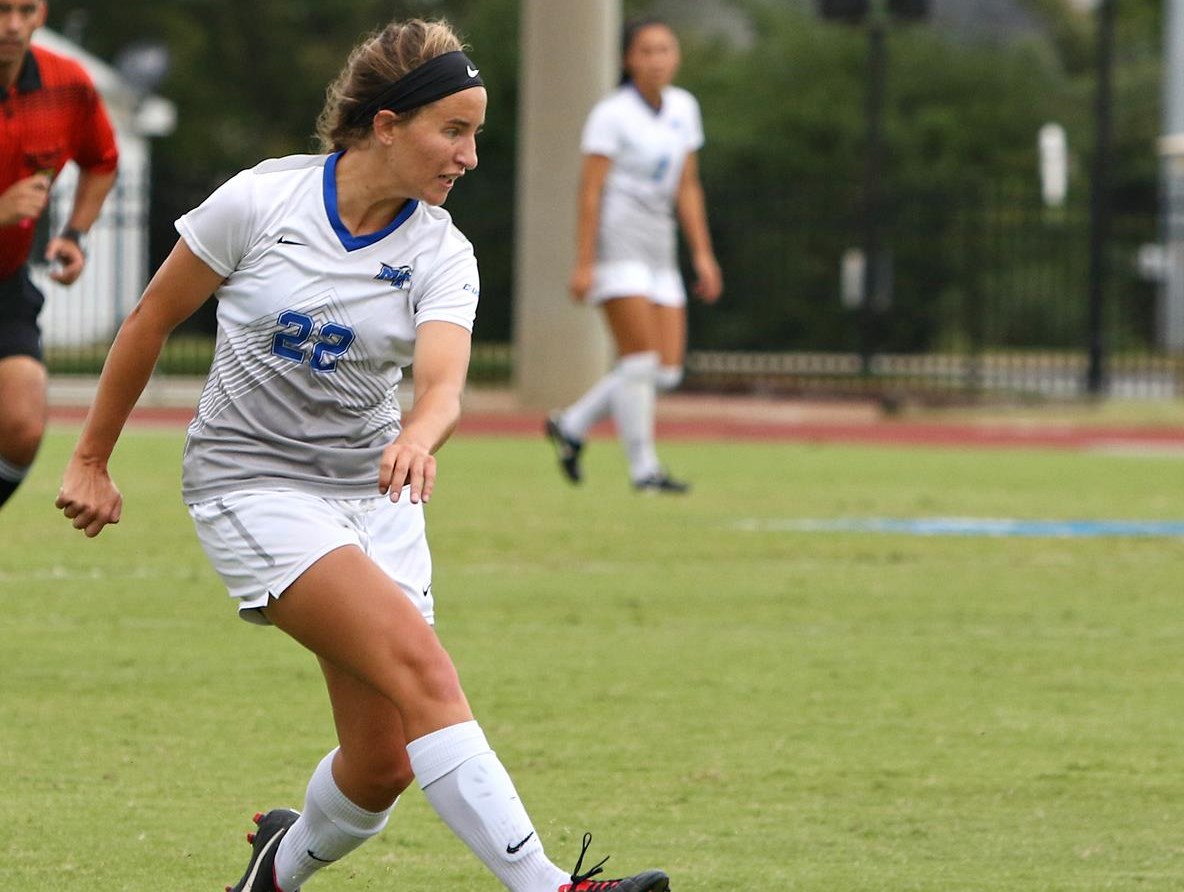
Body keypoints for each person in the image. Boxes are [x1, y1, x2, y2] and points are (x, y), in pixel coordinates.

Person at [55, 19, 669, 892]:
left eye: (476, 134)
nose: (470, 156)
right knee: (426, 674)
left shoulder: (442, 252)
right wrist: (91, 458)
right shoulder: (261, 202)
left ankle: (275, 872)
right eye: (453, 131)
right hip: (253, 484)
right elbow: (151, 320)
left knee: (382, 763)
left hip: (376, 496)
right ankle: (548, 886)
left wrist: (418, 434)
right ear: (386, 124)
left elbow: (444, 384)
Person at [544, 18, 721, 494]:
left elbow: (687, 185)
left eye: (665, 49)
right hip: (618, 244)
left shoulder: (684, 107)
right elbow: (590, 191)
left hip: (660, 247)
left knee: (666, 371)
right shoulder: (611, 114)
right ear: (628, 59)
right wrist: (585, 262)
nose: (657, 60)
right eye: (646, 51)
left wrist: (703, 254)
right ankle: (645, 472)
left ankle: (572, 424)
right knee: (639, 362)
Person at [0, 0, 118, 514]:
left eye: (24, 10)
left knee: (22, 423)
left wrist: (74, 233)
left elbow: (102, 160)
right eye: (1, 10)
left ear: (41, 13)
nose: (12, 25)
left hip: (6, 285)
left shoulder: (67, 84)